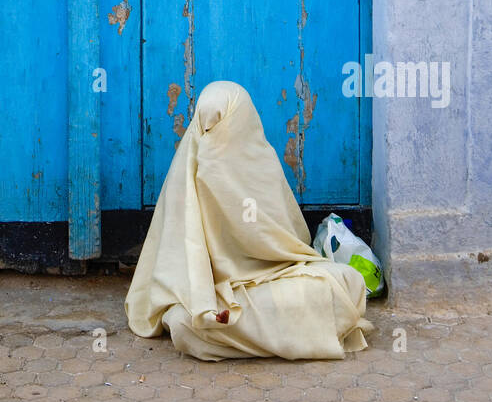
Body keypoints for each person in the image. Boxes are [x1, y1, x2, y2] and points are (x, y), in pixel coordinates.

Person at [125, 80, 372, 360]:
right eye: (205, 130)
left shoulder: (262, 165)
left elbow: (291, 246)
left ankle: (241, 335)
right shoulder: (186, 178)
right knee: (182, 322)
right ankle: (252, 330)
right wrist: (205, 305)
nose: (210, 139)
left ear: (240, 122)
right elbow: (177, 266)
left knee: (346, 281)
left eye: (218, 127)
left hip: (273, 278)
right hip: (216, 293)